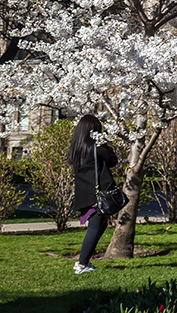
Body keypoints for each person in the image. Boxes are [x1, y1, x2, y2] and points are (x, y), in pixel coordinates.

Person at [67, 114, 118, 276]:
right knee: (95, 228)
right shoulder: (98, 149)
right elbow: (113, 161)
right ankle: (82, 264)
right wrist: (108, 146)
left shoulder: (76, 150)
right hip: (98, 195)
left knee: (100, 226)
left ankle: (85, 261)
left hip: (85, 194)